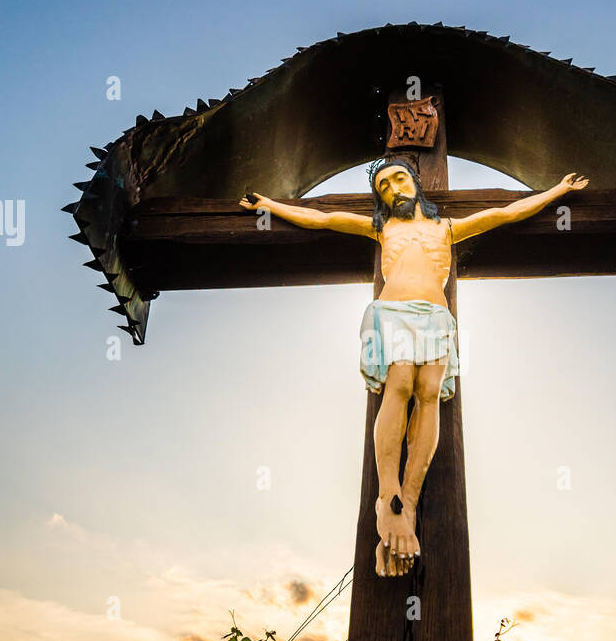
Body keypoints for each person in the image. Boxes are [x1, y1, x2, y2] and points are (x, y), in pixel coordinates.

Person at [241, 156, 588, 575]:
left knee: (428, 396)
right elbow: (322, 219)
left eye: (398, 179)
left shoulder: (446, 228)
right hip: (394, 312)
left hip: (435, 317)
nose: (392, 190)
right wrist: (271, 206)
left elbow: (505, 214)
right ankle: (387, 495)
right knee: (400, 385)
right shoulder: (382, 228)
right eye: (383, 187)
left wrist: (558, 192)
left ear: (415, 182)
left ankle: (406, 505)